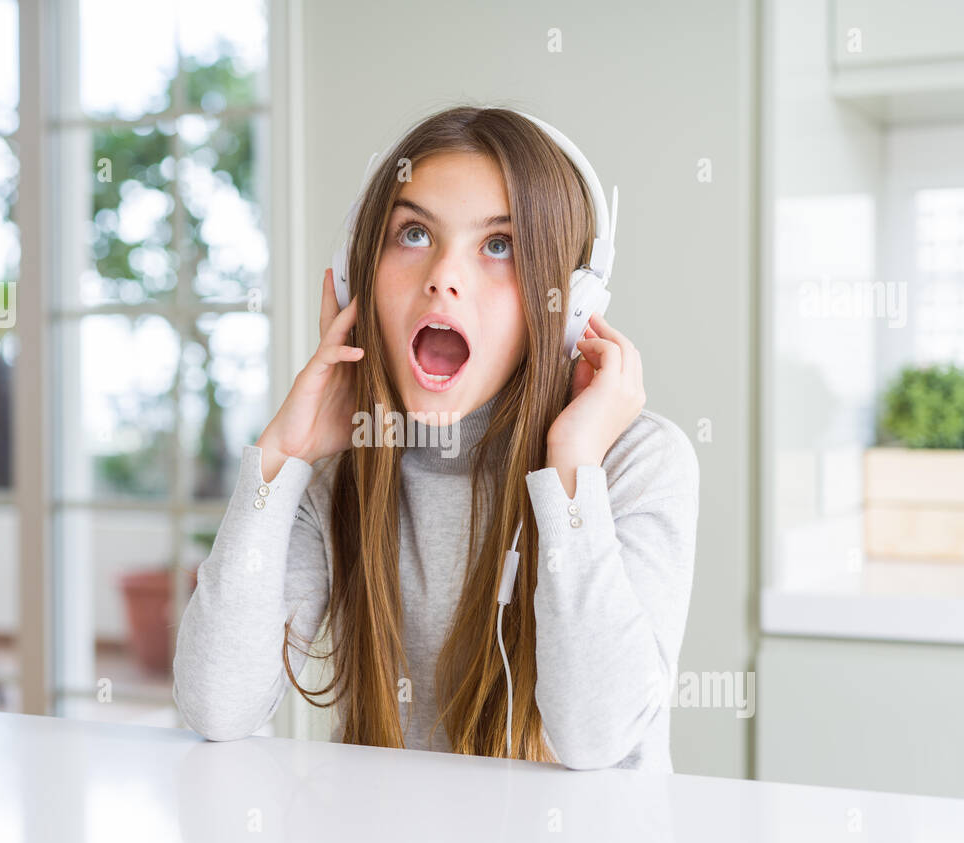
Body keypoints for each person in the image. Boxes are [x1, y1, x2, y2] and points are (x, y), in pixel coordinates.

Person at [173, 105, 699, 769]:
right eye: (415, 233)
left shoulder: (637, 462)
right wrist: (280, 460)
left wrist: (571, 476)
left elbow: (595, 736)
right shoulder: (340, 467)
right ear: (358, 276)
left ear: (574, 303)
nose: (442, 277)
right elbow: (217, 704)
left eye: (499, 244)